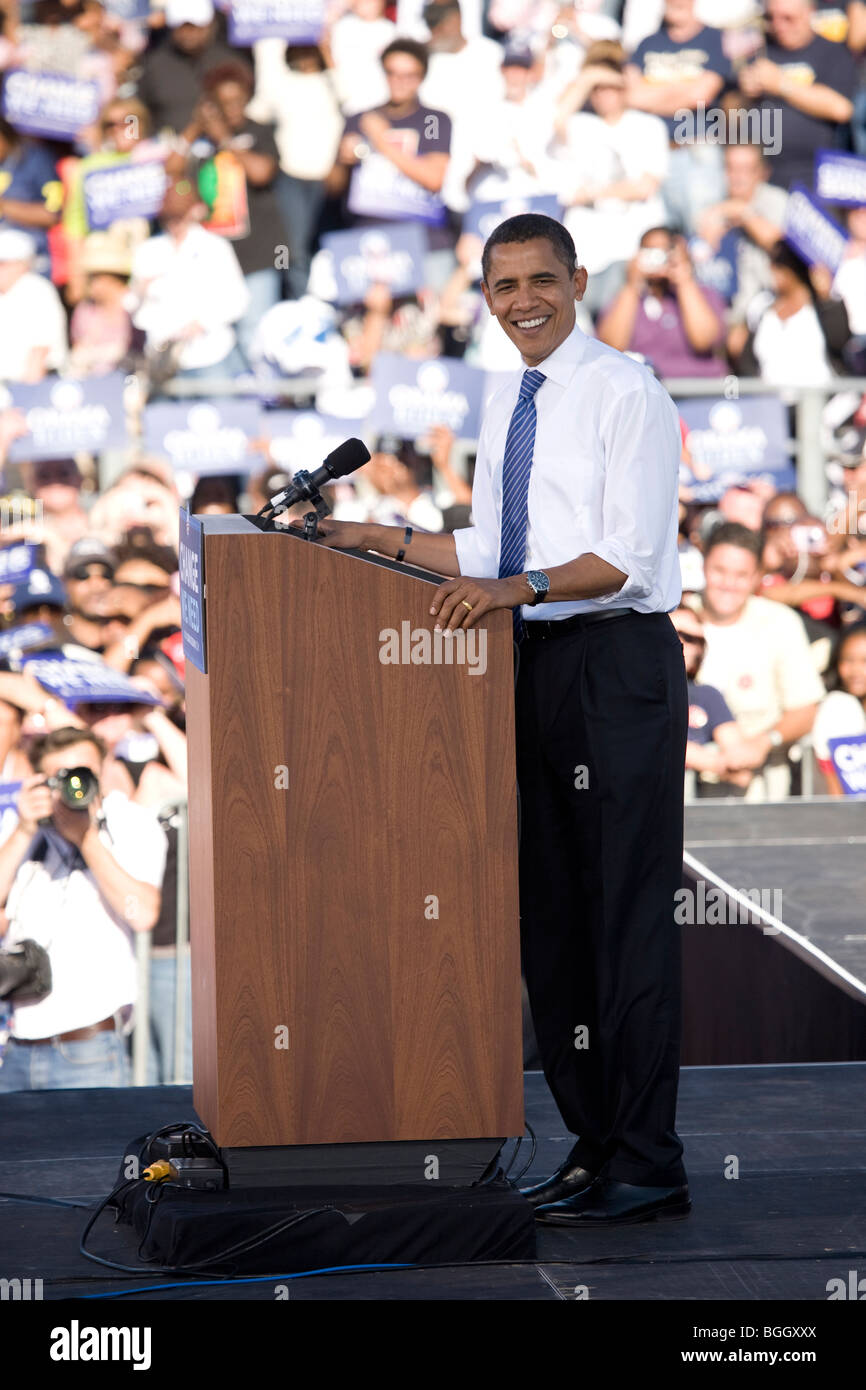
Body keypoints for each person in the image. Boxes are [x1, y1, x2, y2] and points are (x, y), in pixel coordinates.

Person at [309, 212, 693, 1226]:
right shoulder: (507, 395)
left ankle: (647, 1159)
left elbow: (627, 559)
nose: (520, 300)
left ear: (573, 280)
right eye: (500, 284)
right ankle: (592, 1141)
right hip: (530, 659)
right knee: (555, 926)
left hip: (613, 665)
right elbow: (488, 542)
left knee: (621, 924)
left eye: (538, 280)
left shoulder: (624, 390)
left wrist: (508, 589)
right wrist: (368, 535)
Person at [0, 726, 166, 1091]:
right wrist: (25, 831)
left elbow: (142, 913)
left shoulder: (131, 822)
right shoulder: (20, 826)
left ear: (104, 768)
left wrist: (85, 838)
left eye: (83, 773)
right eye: (62, 777)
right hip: (14, 1049)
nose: (75, 787)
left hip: (89, 1048)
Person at [696, 521, 826, 799]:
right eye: (719, 571)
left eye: (741, 574)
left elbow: (806, 707)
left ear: (757, 577)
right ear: (703, 567)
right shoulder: (679, 619)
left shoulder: (779, 622)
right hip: (681, 783)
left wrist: (762, 743)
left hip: (761, 785)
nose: (728, 584)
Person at [551, 44, 669, 318]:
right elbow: (556, 118)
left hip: (628, 248)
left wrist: (590, 193)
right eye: (597, 89)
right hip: (586, 250)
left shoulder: (648, 126)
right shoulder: (582, 125)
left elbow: (645, 186)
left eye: (610, 87)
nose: (603, 94)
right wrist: (589, 76)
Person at [624, 0, 730, 235]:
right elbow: (632, 96)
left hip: (697, 150)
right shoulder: (648, 43)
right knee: (658, 235)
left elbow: (701, 94)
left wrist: (653, 95)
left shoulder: (713, 38)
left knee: (702, 234)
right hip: (653, 153)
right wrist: (683, 88)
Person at [129, 176, 249, 383]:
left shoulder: (215, 247)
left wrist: (203, 323)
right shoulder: (148, 251)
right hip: (163, 361)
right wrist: (140, 291)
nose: (174, 222)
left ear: (195, 211)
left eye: (180, 216)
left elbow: (238, 299)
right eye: (168, 216)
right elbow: (133, 307)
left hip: (210, 355)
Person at [739, 0, 856, 191]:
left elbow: (841, 109)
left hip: (816, 177)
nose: (778, 25)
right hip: (764, 176)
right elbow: (731, 114)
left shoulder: (832, 52)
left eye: (788, 18)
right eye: (770, 18)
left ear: (810, 13)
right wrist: (745, 95)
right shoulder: (759, 52)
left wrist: (781, 84)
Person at [597, 225, 726, 375]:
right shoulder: (625, 299)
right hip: (645, 389)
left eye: (665, 251)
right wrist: (632, 285)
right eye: (650, 251)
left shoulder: (703, 294)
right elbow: (611, 347)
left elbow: (705, 341)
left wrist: (684, 281)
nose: (657, 258)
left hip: (697, 388)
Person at [731, 241, 852, 385]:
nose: (773, 269)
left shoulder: (821, 307)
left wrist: (826, 299)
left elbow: (839, 342)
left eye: (780, 263)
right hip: (771, 403)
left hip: (818, 402)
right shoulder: (762, 308)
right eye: (772, 262)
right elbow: (747, 365)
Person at [0, 229, 67, 383]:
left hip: (35, 389)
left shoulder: (37, 291)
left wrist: (25, 398)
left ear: (21, 264)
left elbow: (39, 355)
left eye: (2, 263)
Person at [812, 622, 866, 792]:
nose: (855, 671)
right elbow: (837, 791)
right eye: (848, 660)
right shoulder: (838, 708)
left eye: (865, 661)